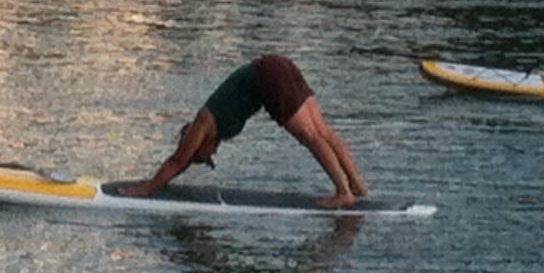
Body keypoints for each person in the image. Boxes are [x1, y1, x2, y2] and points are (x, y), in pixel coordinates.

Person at [113, 55, 370, 209]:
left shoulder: (200, 124)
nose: (212, 153)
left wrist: (147, 188)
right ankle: (358, 187)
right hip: (276, 66)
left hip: (269, 75)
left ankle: (344, 193)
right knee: (322, 131)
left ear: (196, 143)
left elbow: (178, 160)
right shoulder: (212, 126)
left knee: (310, 136)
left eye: (203, 156)